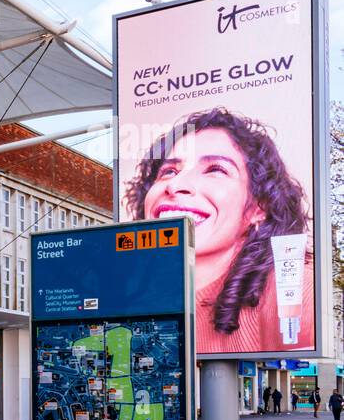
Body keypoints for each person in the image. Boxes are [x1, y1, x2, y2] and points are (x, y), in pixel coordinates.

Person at [123, 108, 315, 355]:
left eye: (215, 169)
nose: (175, 185)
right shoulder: (127, 294)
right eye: (169, 171)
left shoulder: (293, 285)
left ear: (259, 208)